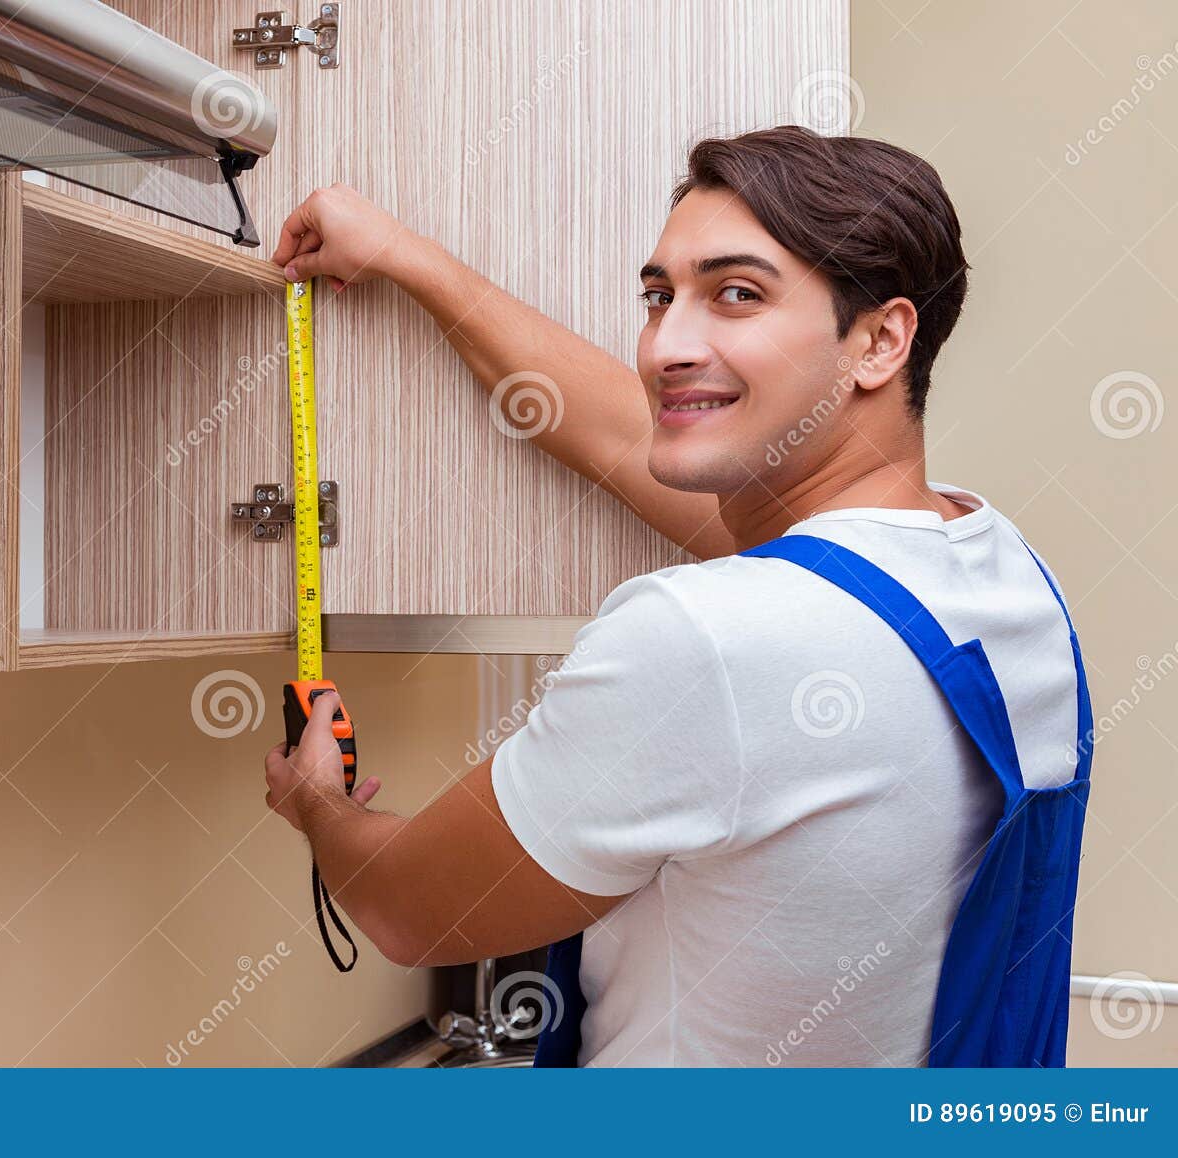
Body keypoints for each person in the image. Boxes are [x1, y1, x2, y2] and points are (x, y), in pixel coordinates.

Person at [261, 125, 1092, 1067]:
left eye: (738, 294)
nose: (665, 347)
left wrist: (318, 807)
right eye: (660, 297)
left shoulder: (710, 638)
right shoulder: (998, 570)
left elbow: (409, 911)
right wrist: (416, 264)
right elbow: (622, 436)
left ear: (879, 340)